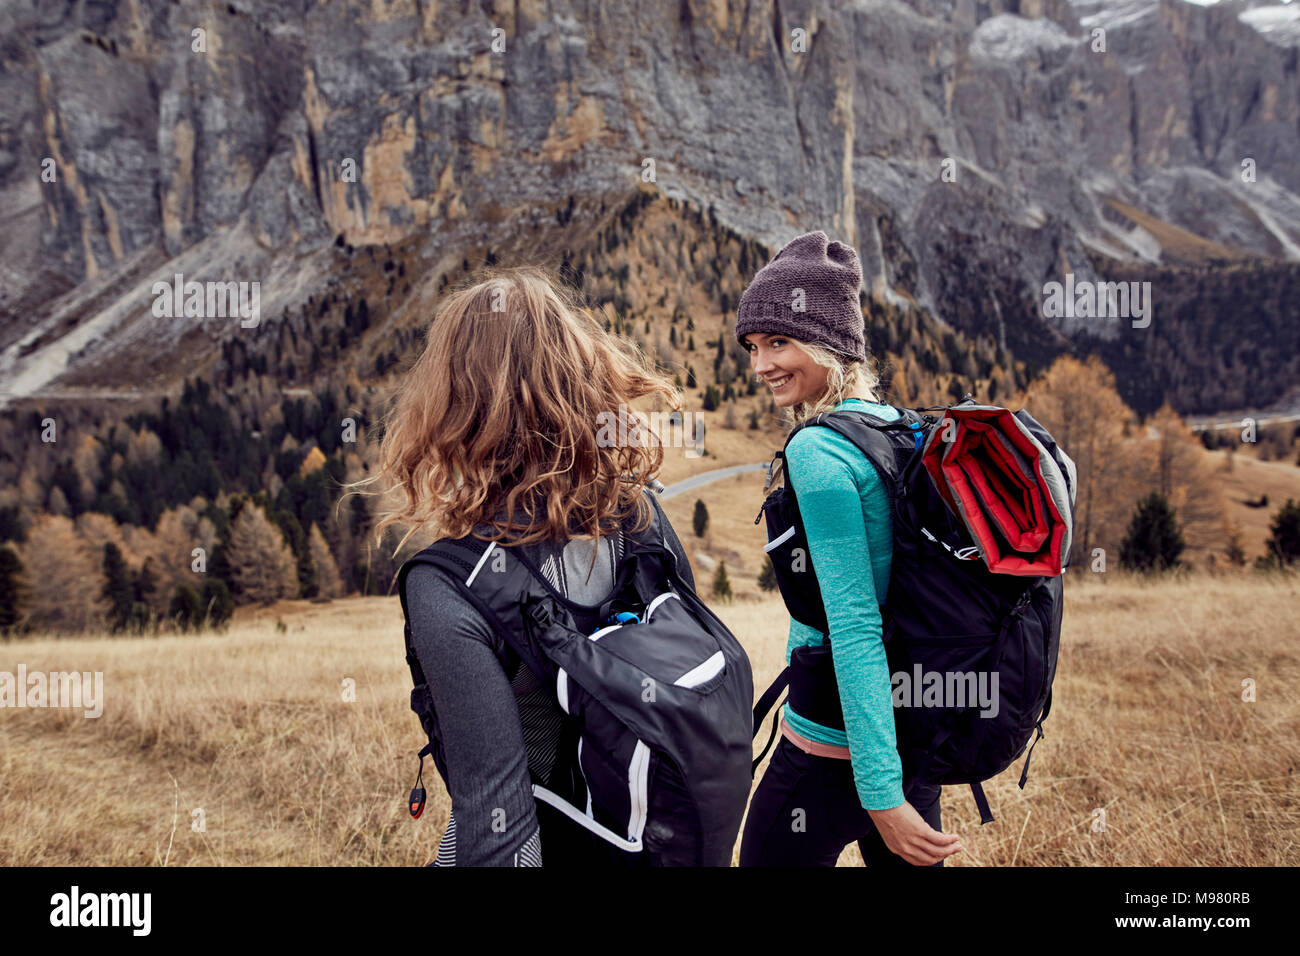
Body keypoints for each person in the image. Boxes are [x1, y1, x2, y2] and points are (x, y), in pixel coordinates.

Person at [363, 266, 695, 866]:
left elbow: (501, 831)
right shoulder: (640, 516)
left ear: (455, 402)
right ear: (581, 378)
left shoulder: (450, 584)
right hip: (652, 836)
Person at [734, 231, 963, 867]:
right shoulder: (899, 428)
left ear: (830, 341)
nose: (761, 366)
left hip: (836, 749)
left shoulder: (818, 450)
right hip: (907, 730)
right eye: (753, 347)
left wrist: (881, 795)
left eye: (779, 341)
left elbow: (855, 626)